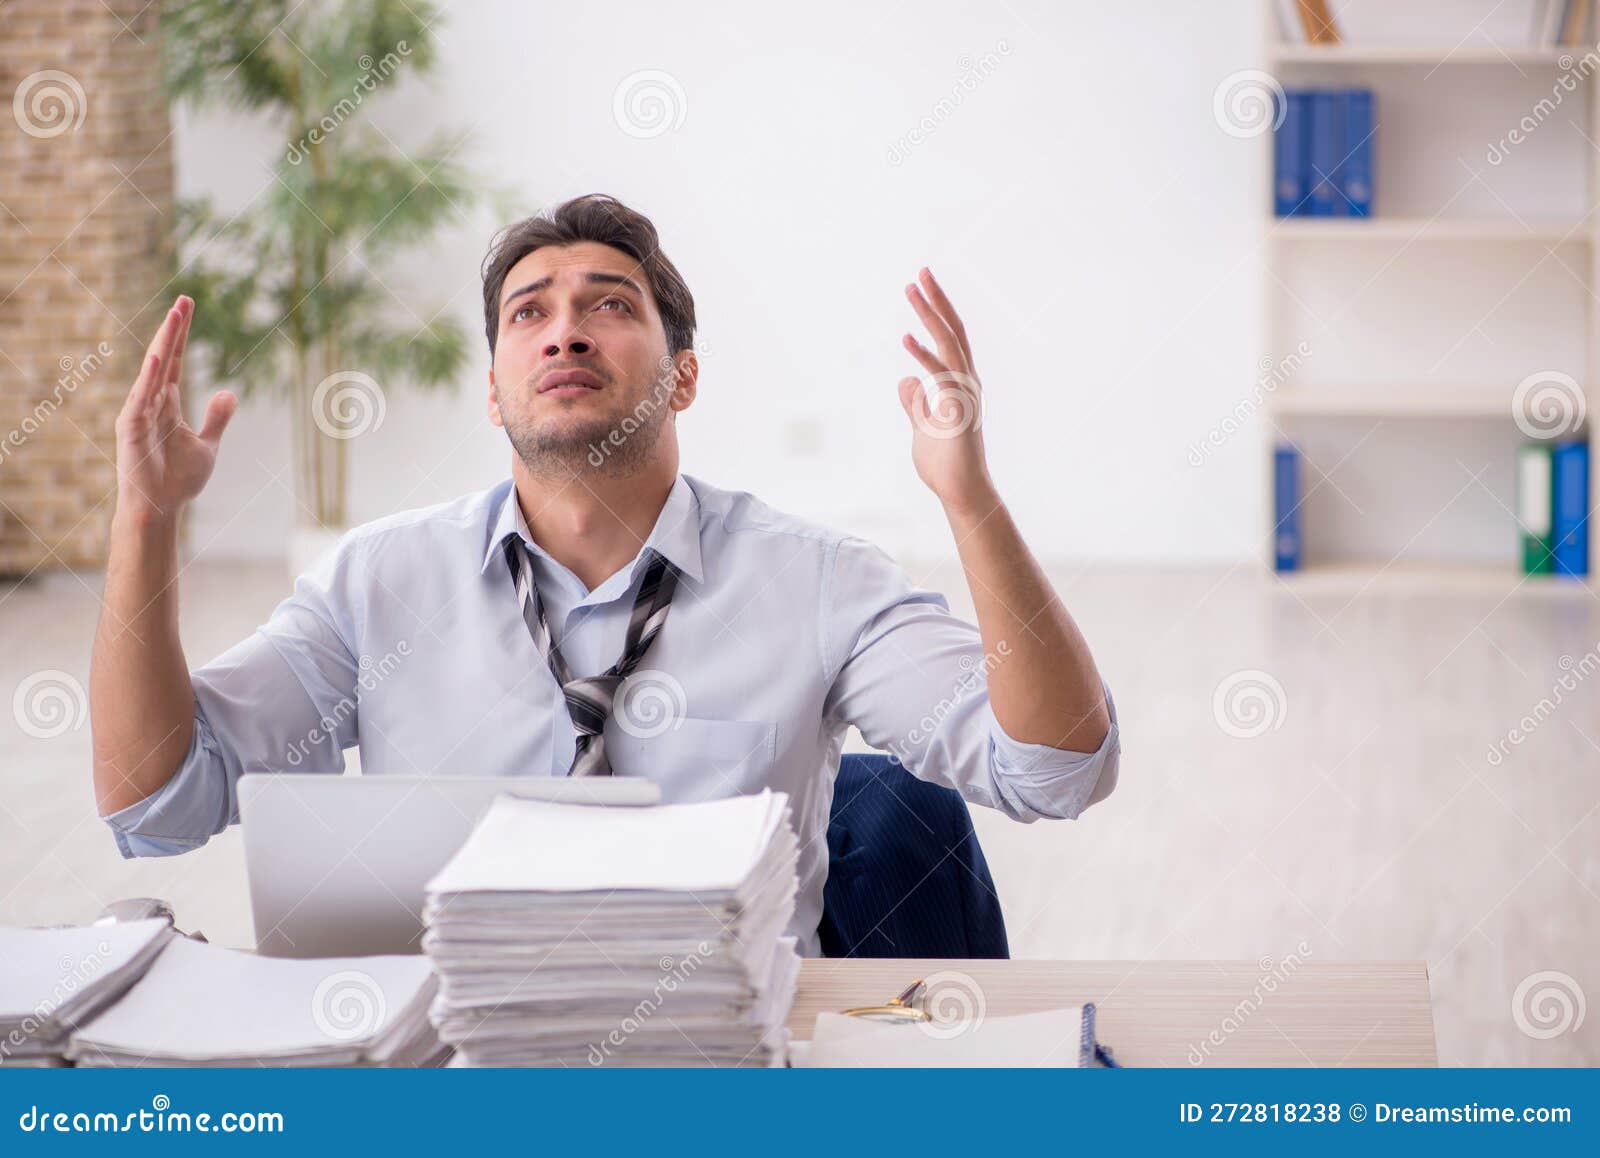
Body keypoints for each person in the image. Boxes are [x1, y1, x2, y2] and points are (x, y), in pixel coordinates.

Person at [89, 193, 1120, 955]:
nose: (565, 329)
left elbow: (1054, 768)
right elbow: (158, 803)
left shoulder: (816, 581)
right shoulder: (377, 583)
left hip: (729, 1067)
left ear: (684, 376)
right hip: (453, 1060)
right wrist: (144, 518)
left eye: (609, 304)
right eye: (528, 313)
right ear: (494, 392)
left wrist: (968, 500)